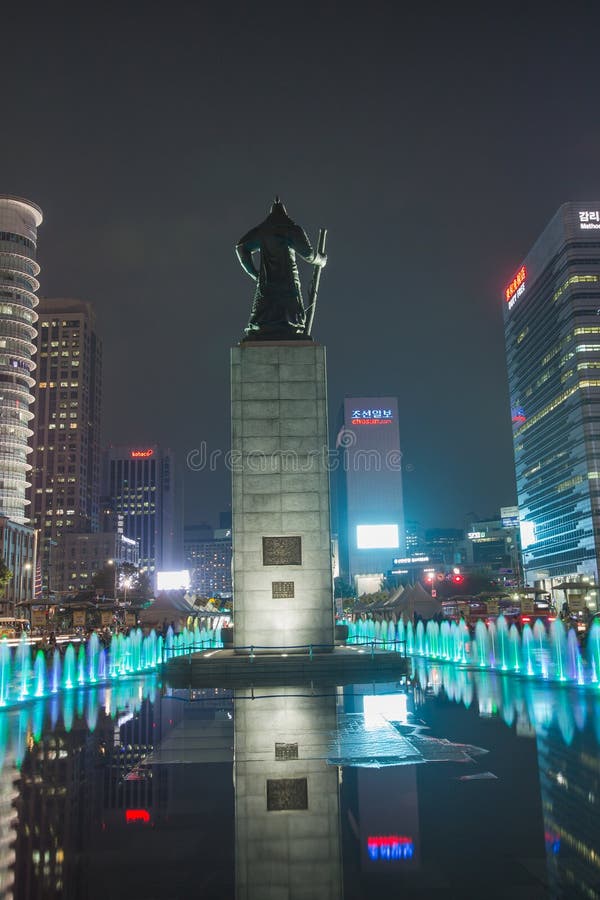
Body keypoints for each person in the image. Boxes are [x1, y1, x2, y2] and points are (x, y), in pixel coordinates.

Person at [236, 197, 327, 339]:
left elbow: (241, 247)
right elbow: (308, 254)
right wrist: (321, 260)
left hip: (267, 283)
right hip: (288, 282)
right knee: (292, 321)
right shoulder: (291, 229)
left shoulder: (262, 231)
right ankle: (291, 330)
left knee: (263, 318)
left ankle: (264, 331)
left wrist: (256, 275)